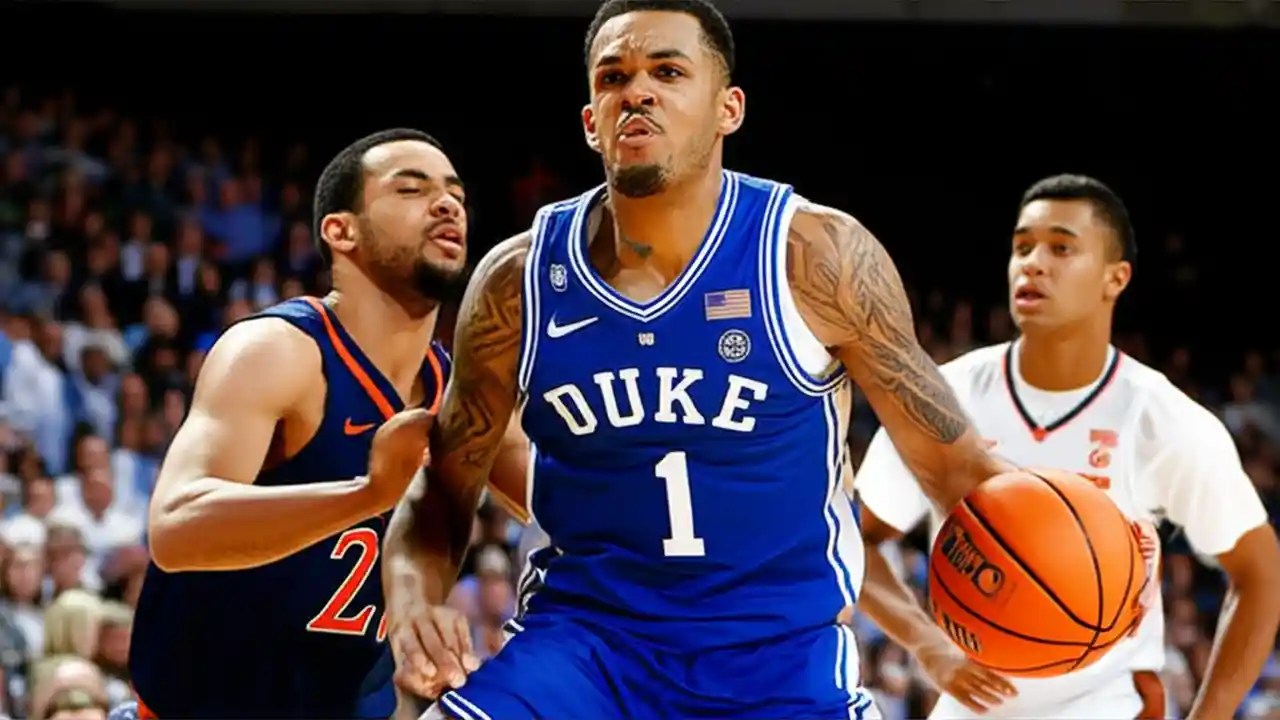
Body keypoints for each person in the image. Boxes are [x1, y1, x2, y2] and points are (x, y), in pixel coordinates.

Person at [379, 2, 1021, 719]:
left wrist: (1090, 531)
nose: (638, 91)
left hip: (778, 664)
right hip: (583, 656)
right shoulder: (518, 283)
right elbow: (441, 493)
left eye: (668, 71)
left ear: (729, 109)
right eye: (613, 76)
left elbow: (955, 469)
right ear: (591, 119)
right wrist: (411, 602)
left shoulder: (813, 257)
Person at [127, 128, 521, 719]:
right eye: (411, 189)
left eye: (455, 196)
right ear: (341, 232)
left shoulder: (460, 394)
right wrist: (366, 495)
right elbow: (176, 529)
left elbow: (568, 501)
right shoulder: (279, 351)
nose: (445, 205)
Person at [853, 174, 1280, 719]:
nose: (1032, 263)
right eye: (1021, 247)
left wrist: (1208, 715)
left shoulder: (1161, 416)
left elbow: (1259, 572)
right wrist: (928, 645)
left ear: (1115, 278)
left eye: (1061, 248)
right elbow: (858, 543)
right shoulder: (944, 394)